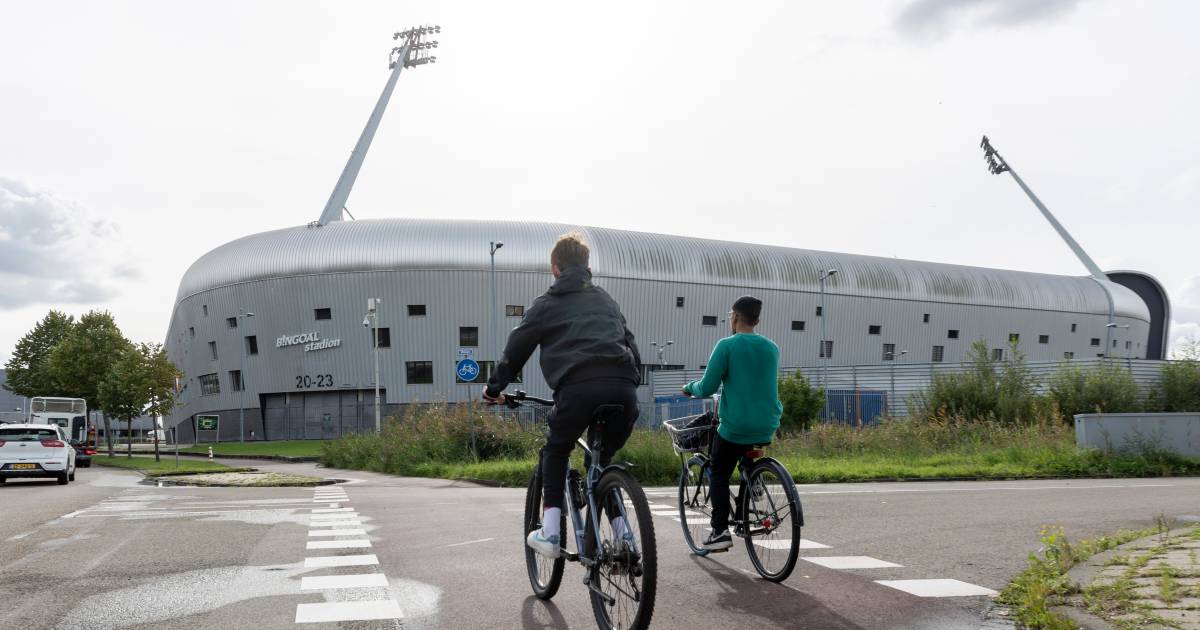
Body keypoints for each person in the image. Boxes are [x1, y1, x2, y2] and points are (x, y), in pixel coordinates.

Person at [483, 231, 642, 558]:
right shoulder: (607, 301)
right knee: (600, 465)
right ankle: (624, 536)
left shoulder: (546, 305)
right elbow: (630, 343)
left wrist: (494, 389)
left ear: (555, 268)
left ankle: (552, 532)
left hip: (578, 390)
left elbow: (516, 351)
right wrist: (630, 381)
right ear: (587, 267)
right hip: (624, 389)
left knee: (555, 451)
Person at [681, 296, 782, 551]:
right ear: (757, 320)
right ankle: (751, 483)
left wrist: (689, 388)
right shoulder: (772, 348)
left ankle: (719, 531)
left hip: (736, 425)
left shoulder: (726, 346)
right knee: (745, 459)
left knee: (718, 472)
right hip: (767, 424)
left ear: (735, 318)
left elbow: (707, 386)